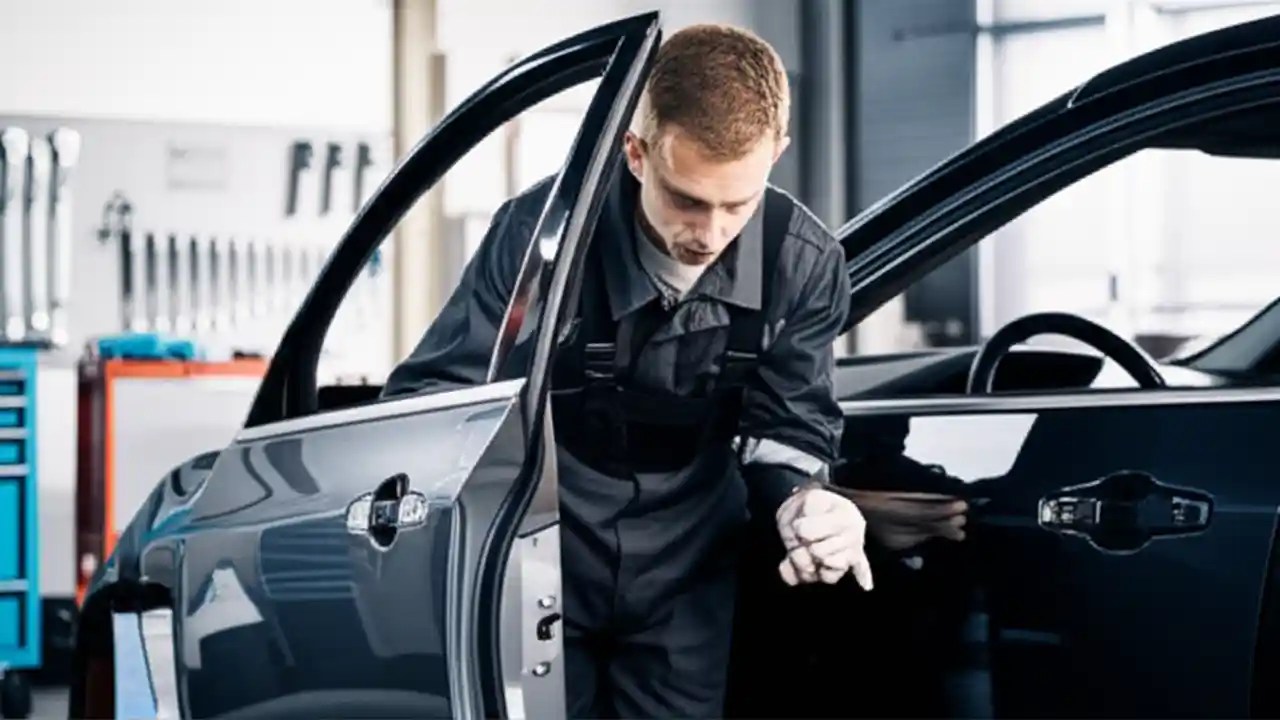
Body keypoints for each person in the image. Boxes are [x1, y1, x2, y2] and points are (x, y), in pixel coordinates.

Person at [383, 23, 871, 719]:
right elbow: (443, 398)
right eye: (687, 199)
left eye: (738, 204)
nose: (710, 233)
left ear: (777, 155)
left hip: (690, 570)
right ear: (636, 154)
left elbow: (788, 425)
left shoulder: (804, 261)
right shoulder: (538, 241)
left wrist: (805, 502)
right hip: (544, 558)